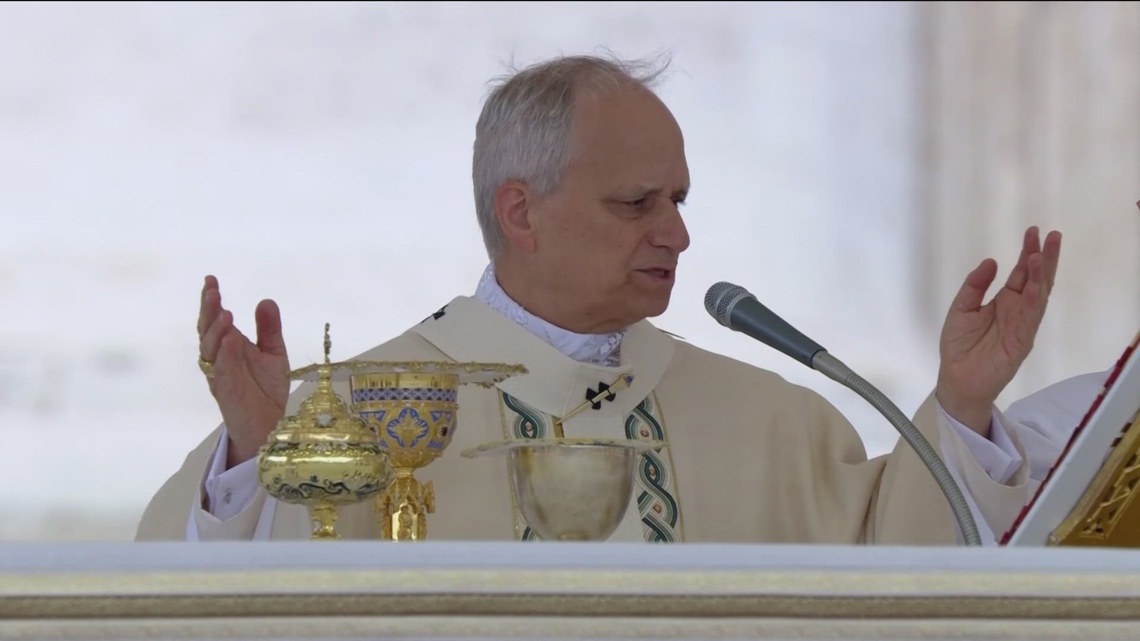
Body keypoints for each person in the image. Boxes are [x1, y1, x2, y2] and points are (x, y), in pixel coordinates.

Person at [135, 53, 1064, 545]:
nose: (677, 234)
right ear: (521, 212)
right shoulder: (366, 415)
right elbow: (196, 600)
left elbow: (903, 573)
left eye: (680, 201)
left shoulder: (773, 424)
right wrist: (257, 456)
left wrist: (962, 404)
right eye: (635, 204)